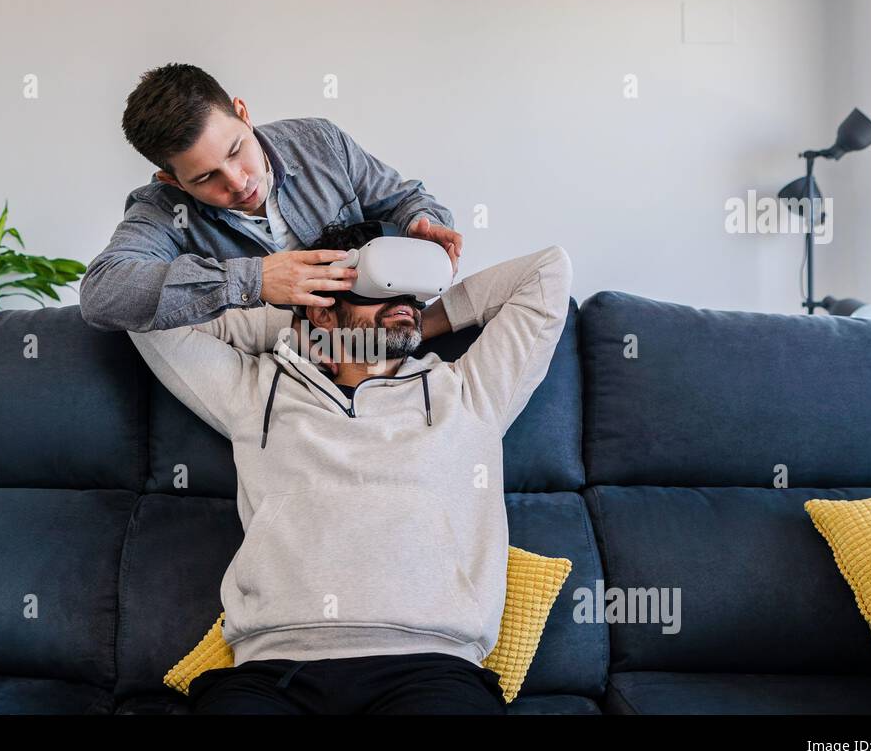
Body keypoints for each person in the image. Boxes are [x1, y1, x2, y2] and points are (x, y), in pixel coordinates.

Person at [127, 219, 574, 714]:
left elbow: (548, 270)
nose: (402, 297)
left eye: (410, 289)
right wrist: (296, 313)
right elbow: (140, 312)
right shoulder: (258, 393)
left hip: (430, 668)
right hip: (275, 670)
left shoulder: (470, 392)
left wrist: (415, 320)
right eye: (377, 284)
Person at [79, 63, 463, 334]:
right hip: (276, 370)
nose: (238, 182)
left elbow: (405, 199)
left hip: (386, 335)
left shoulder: (319, 141)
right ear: (173, 181)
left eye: (234, 151)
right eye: (205, 177)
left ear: (243, 114)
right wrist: (254, 280)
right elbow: (102, 293)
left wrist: (421, 223)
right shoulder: (163, 208)